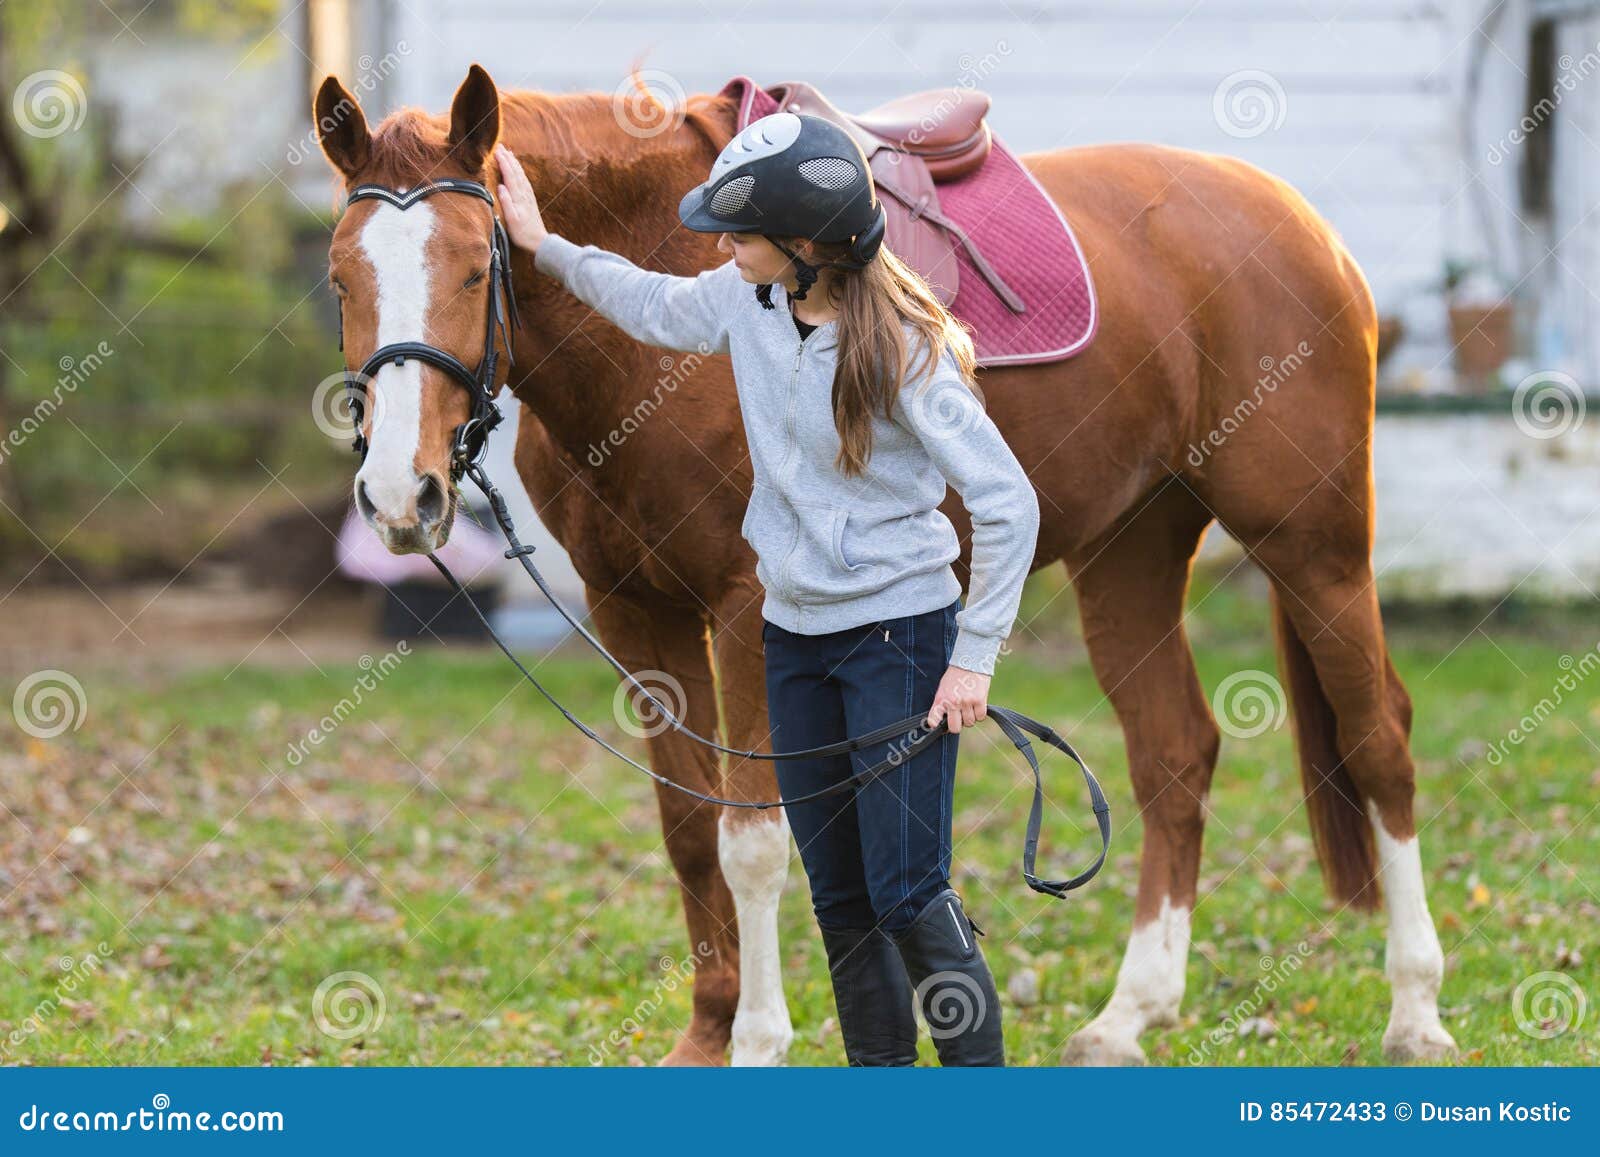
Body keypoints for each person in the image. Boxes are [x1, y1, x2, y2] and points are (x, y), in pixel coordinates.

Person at [493, 111, 1040, 1066]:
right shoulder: (748, 302)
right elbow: (650, 303)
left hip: (898, 639)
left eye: (739, 232)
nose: (722, 246)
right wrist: (543, 248)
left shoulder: (906, 347)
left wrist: (972, 660)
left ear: (804, 244)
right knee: (840, 900)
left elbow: (1008, 502)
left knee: (907, 888)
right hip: (794, 641)